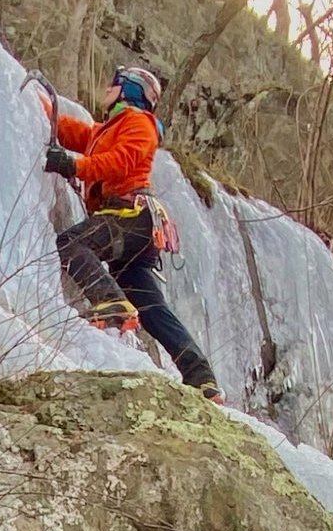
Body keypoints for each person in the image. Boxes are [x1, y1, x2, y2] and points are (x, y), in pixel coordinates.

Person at [40, 64, 222, 398]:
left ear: (127, 91)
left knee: (70, 244)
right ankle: (201, 376)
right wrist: (41, 107)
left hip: (131, 214)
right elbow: (72, 131)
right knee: (151, 307)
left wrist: (74, 165)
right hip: (135, 227)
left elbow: (122, 160)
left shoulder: (140, 123)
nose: (105, 90)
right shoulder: (104, 131)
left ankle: (109, 301)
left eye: (112, 85)